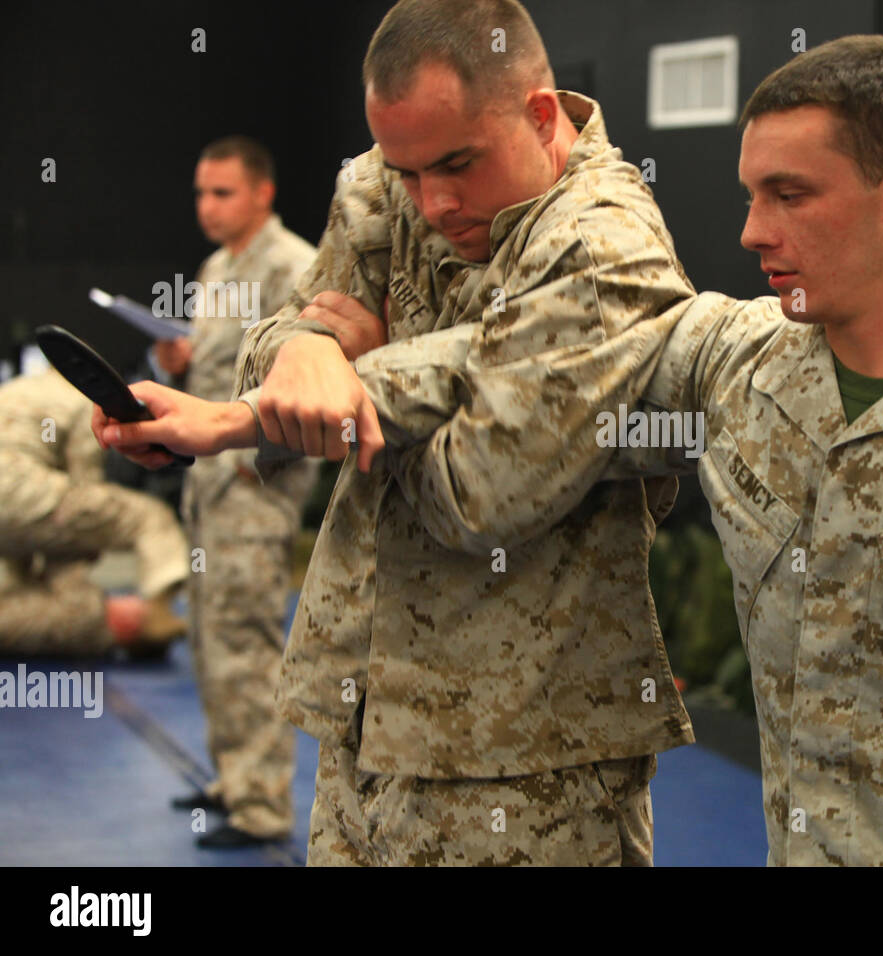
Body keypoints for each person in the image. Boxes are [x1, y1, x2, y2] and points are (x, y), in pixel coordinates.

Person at [100, 33, 883, 865]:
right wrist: (257, 403)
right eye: (746, 191)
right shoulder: (737, 360)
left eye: (788, 194)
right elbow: (522, 372)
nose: (749, 230)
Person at [98, 0, 696, 866]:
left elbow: (482, 491)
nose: (433, 202)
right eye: (409, 172)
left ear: (539, 115)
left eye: (457, 163)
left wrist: (355, 371)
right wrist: (307, 346)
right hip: (364, 719)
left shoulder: (603, 242)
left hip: (527, 761)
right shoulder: (386, 179)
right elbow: (271, 350)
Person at [151, 135, 319, 849]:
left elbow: (312, 374)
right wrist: (176, 360)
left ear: (262, 193)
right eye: (200, 193)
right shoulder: (217, 267)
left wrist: (263, 464)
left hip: (255, 484)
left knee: (246, 640)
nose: (207, 207)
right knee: (209, 637)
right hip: (208, 486)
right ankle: (232, 776)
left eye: (222, 193)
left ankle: (261, 806)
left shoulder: (298, 265)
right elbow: (217, 370)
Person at [0, 367, 188, 657]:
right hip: (27, 493)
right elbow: (85, 489)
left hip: (21, 508)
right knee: (150, 517)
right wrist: (92, 537)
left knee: (34, 575)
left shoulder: (16, 389)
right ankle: (157, 610)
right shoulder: (83, 398)